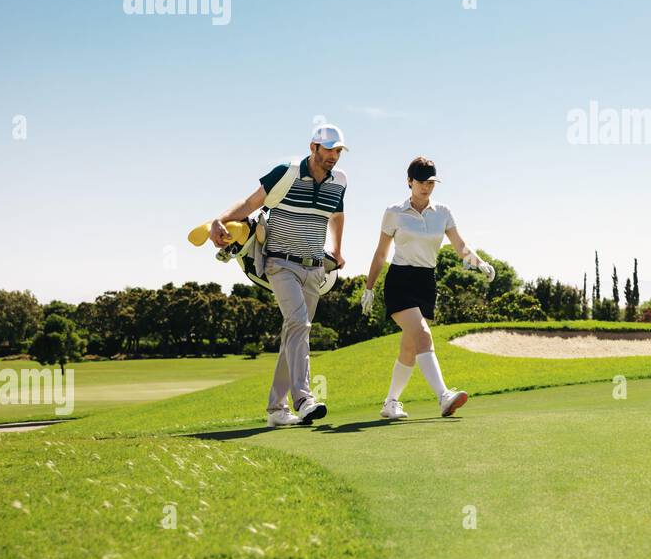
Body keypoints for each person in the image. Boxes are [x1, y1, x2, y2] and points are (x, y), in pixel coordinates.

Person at [210, 124, 349, 427]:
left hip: (314, 268)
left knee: (294, 333)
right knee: (299, 323)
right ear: (314, 147)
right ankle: (304, 399)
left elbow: (337, 214)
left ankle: (276, 409)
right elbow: (250, 203)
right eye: (329, 150)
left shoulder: (339, 181)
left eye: (338, 151)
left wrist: (337, 249)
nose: (334, 156)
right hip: (279, 263)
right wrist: (219, 220)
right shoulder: (284, 172)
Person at [361, 156, 494, 420]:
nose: (426, 187)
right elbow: (380, 254)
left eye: (431, 182)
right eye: (421, 181)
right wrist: (369, 288)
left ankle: (390, 402)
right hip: (400, 281)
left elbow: (460, 246)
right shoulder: (394, 212)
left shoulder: (443, 212)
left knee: (410, 348)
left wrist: (479, 263)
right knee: (422, 335)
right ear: (409, 182)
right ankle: (444, 396)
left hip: (425, 283)